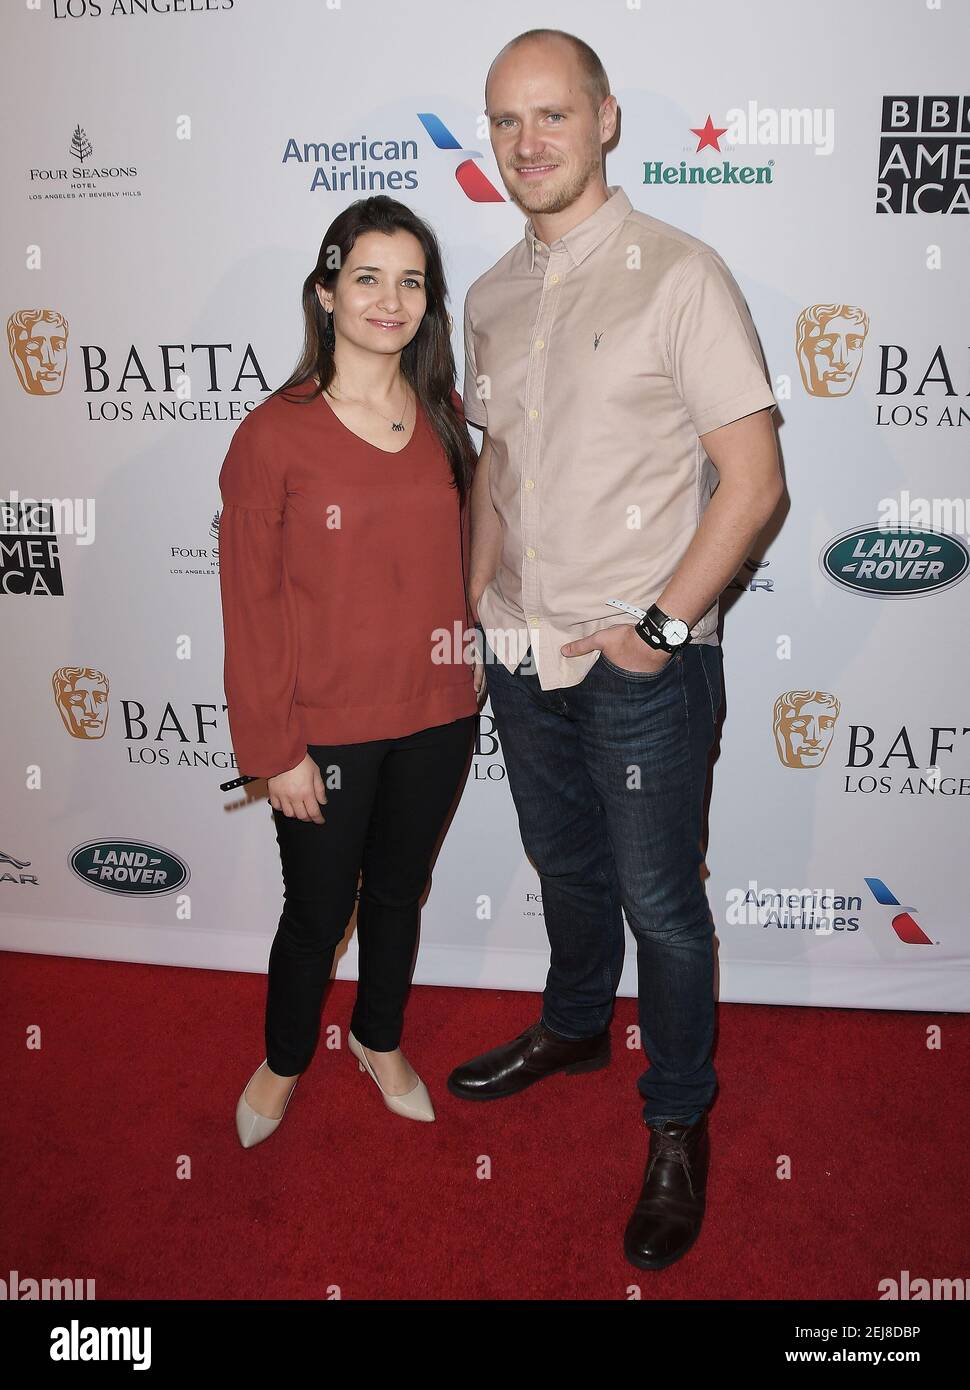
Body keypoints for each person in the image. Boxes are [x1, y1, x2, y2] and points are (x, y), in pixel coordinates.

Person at [449, 29, 784, 1270]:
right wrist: (470, 606)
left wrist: (657, 629)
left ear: (604, 120)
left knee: (662, 903)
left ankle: (678, 1117)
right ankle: (579, 1025)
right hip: (519, 653)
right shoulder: (488, 294)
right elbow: (495, 468)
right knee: (563, 864)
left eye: (549, 115)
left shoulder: (679, 274)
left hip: (640, 666)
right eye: (503, 122)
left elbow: (754, 484)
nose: (525, 143)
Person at [218, 195, 483, 1148]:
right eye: (367, 277)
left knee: (399, 894)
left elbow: (470, 557)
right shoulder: (272, 435)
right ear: (326, 293)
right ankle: (284, 1059)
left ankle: (379, 1040)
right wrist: (273, 750)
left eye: (411, 280)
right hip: (322, 731)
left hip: (441, 713)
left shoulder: (447, 415)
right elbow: (248, 608)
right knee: (319, 911)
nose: (390, 299)